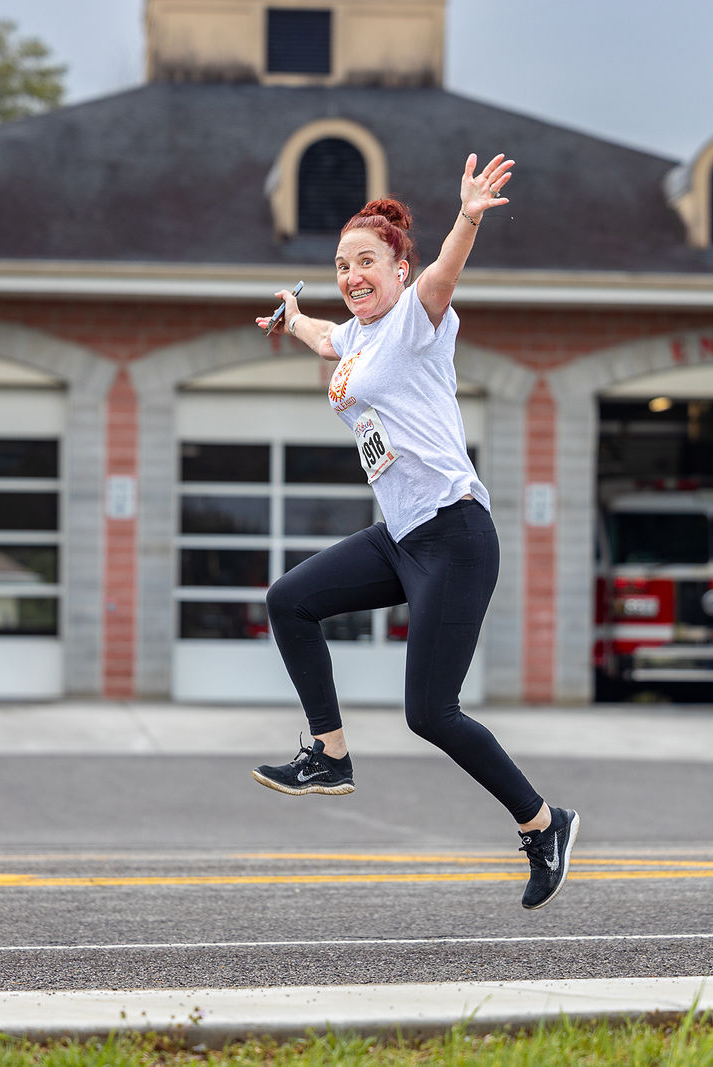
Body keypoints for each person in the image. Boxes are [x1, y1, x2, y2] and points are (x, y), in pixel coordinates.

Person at [249, 153, 579, 911]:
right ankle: (328, 754)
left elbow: (444, 276)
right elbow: (325, 339)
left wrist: (466, 218)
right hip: (402, 538)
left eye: (366, 262)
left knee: (431, 713)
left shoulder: (416, 319)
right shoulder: (358, 339)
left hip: (455, 536)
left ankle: (543, 824)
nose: (352, 275)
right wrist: (291, 316)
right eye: (342, 265)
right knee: (289, 600)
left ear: (398, 268)